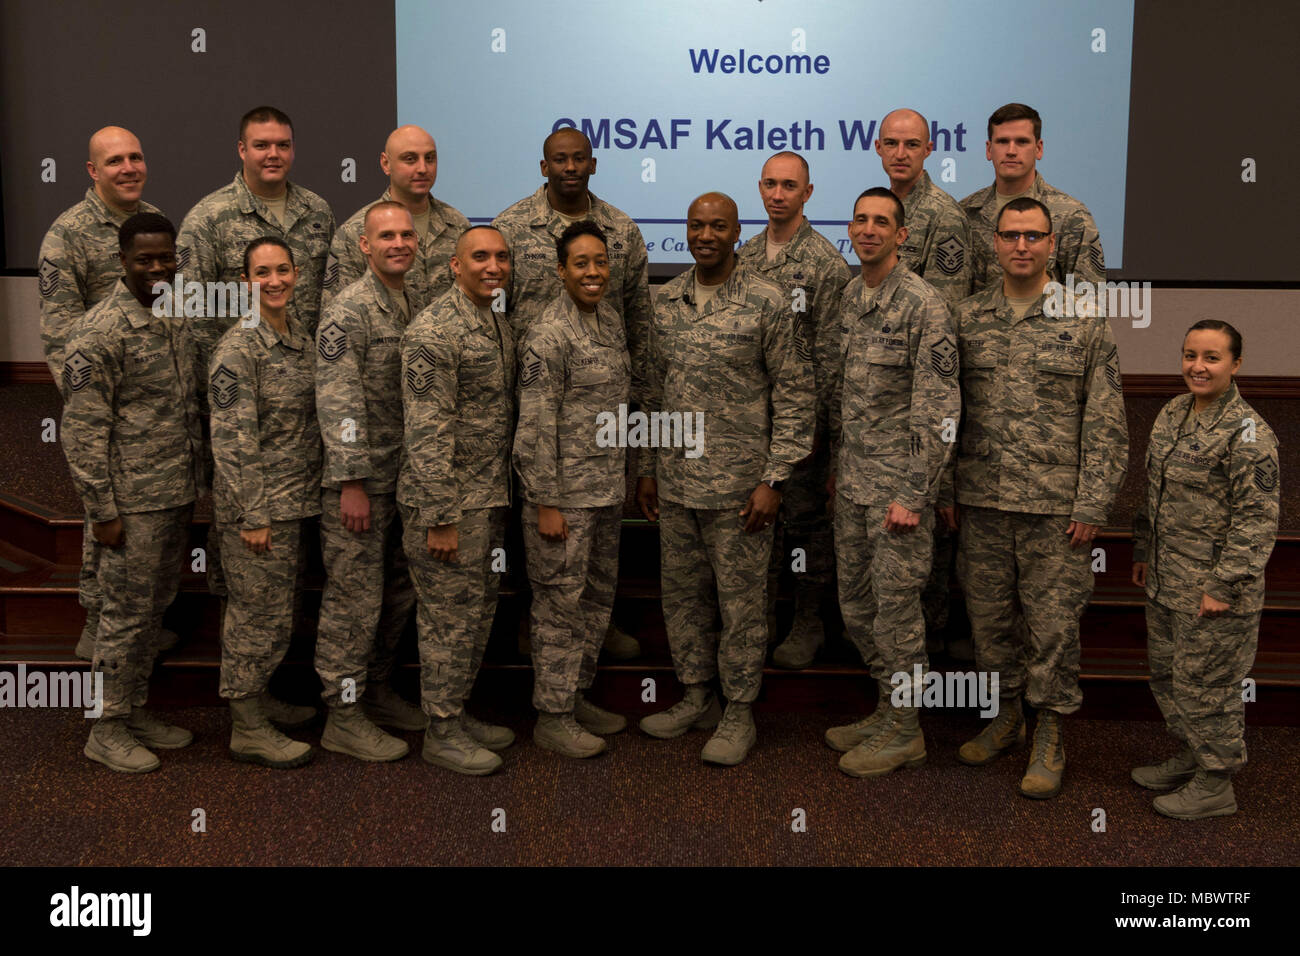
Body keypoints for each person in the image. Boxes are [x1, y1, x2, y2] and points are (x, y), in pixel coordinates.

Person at [943, 197, 1128, 799]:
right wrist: (946, 488)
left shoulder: (1084, 320)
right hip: (984, 503)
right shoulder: (966, 318)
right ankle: (1006, 718)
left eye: (1033, 236)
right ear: (992, 244)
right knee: (990, 625)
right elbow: (946, 412)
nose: (1021, 246)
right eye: (1010, 235)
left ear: (1052, 244)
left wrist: (1092, 505)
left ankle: (1050, 733)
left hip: (1056, 510)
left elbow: (1105, 421)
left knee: (1052, 629)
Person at [636, 193, 815, 766]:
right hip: (678, 483)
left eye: (718, 225)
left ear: (739, 232)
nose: (705, 234)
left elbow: (794, 391)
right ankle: (697, 697)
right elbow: (653, 391)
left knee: (742, 605)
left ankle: (739, 711)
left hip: (742, 490)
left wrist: (776, 478)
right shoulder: (666, 301)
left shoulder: (766, 301)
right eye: (696, 224)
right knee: (684, 600)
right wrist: (646, 468)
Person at [178, 107, 335, 713]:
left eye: (283, 144)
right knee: (253, 593)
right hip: (242, 401)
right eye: (261, 145)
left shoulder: (317, 212)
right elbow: (191, 320)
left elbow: (319, 304)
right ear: (240, 149)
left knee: (275, 593)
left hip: (296, 388)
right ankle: (245, 712)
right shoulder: (208, 219)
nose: (273, 154)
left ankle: (260, 697)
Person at [494, 126, 654, 660]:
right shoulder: (512, 228)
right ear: (544, 167)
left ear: (593, 163)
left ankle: (590, 631)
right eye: (558, 160)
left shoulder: (622, 231)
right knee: (537, 534)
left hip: (598, 413)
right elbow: (492, 315)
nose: (569, 168)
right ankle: (535, 629)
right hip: (525, 405)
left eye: (578, 159)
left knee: (595, 541)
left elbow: (637, 322)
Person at [823, 188, 960, 776]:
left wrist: (915, 493)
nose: (870, 229)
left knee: (898, 613)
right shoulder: (851, 296)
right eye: (861, 220)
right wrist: (834, 466)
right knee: (857, 607)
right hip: (853, 483)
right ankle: (886, 707)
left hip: (897, 495)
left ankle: (907, 730)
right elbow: (841, 395)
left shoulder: (924, 305)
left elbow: (940, 407)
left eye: (883, 221)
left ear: (902, 236)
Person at [61, 213, 203, 772]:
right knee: (122, 616)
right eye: (145, 259)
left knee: (152, 612)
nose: (158, 267)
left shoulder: (176, 312)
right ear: (122, 262)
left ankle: (134, 709)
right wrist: (101, 511)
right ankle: (106, 725)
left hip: (174, 490)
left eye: (166, 257)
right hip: (130, 504)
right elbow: (82, 429)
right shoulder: (98, 333)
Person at [1131, 321, 1278, 819]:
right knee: (1168, 676)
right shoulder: (1174, 412)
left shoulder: (1249, 433)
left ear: (1236, 364)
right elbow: (1154, 491)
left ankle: (1216, 782)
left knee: (1207, 686)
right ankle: (1194, 755)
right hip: (1168, 579)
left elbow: (1257, 521)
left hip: (1213, 590)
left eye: (1212, 357)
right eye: (1190, 354)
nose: (1198, 366)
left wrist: (1224, 584)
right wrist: (1143, 551)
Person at [37, 126, 174, 663]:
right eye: (114, 160)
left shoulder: (153, 220)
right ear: (92, 171)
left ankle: (133, 630)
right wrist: (87, 411)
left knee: (143, 533)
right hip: (105, 402)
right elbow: (59, 333)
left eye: (136, 157)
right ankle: (99, 625)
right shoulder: (66, 236)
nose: (128, 168)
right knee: (108, 520)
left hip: (156, 405)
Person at [399, 225, 517, 775]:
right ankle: (441, 730)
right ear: (454, 265)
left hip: (487, 496)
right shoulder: (434, 331)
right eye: (480, 257)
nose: (493, 266)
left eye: (501, 257)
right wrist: (440, 517)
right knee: (447, 620)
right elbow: (427, 432)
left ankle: (457, 712)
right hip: (449, 506)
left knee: (475, 613)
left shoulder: (495, 319)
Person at [513, 222, 632, 757]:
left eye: (600, 262)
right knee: (559, 606)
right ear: (560, 271)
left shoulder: (609, 318)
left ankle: (577, 694)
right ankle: (552, 715)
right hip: (562, 500)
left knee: (594, 602)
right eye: (580, 263)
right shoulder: (548, 335)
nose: (593, 272)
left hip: (606, 492)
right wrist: (545, 502)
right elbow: (535, 426)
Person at [314, 202, 425, 755]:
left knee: (398, 594)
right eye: (387, 236)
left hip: (407, 478)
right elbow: (340, 402)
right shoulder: (347, 311)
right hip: (363, 483)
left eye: (407, 234)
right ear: (364, 245)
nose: (399, 243)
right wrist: (351, 480)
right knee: (354, 600)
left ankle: (377, 689)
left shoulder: (416, 303)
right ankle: (343, 711)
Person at [210, 238, 326, 768]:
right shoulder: (238, 348)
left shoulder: (298, 338)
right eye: (262, 272)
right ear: (243, 281)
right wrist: (252, 515)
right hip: (258, 510)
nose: (274, 280)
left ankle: (262, 699)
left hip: (296, 500)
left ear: (296, 274)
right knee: (256, 616)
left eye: (282, 270)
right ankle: (247, 724)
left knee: (280, 615)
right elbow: (233, 440)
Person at [735, 151, 851, 669]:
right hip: (750, 421)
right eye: (770, 184)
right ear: (760, 189)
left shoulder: (826, 263)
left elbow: (833, 356)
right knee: (755, 524)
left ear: (807, 193)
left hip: (802, 425)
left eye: (789, 186)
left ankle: (808, 620)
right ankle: (755, 620)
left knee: (804, 525)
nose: (778, 194)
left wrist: (820, 434)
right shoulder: (746, 255)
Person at [876, 108, 973, 658]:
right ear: (877, 147)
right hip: (881, 419)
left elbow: (944, 342)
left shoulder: (943, 216)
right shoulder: (880, 211)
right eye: (891, 143)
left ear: (929, 149)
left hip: (922, 416)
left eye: (911, 144)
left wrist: (943, 471)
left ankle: (922, 687)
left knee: (920, 567)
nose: (901, 153)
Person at [961, 103, 1105, 293]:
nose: (1011, 150)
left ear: (1038, 148)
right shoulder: (965, 213)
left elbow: (1090, 304)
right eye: (1002, 141)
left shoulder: (1072, 217)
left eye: (1022, 141)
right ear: (989, 149)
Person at [324, 125, 469, 312]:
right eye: (410, 159)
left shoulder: (458, 226)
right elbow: (338, 312)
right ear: (386, 164)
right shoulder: (354, 231)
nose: (423, 168)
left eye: (430, 158)